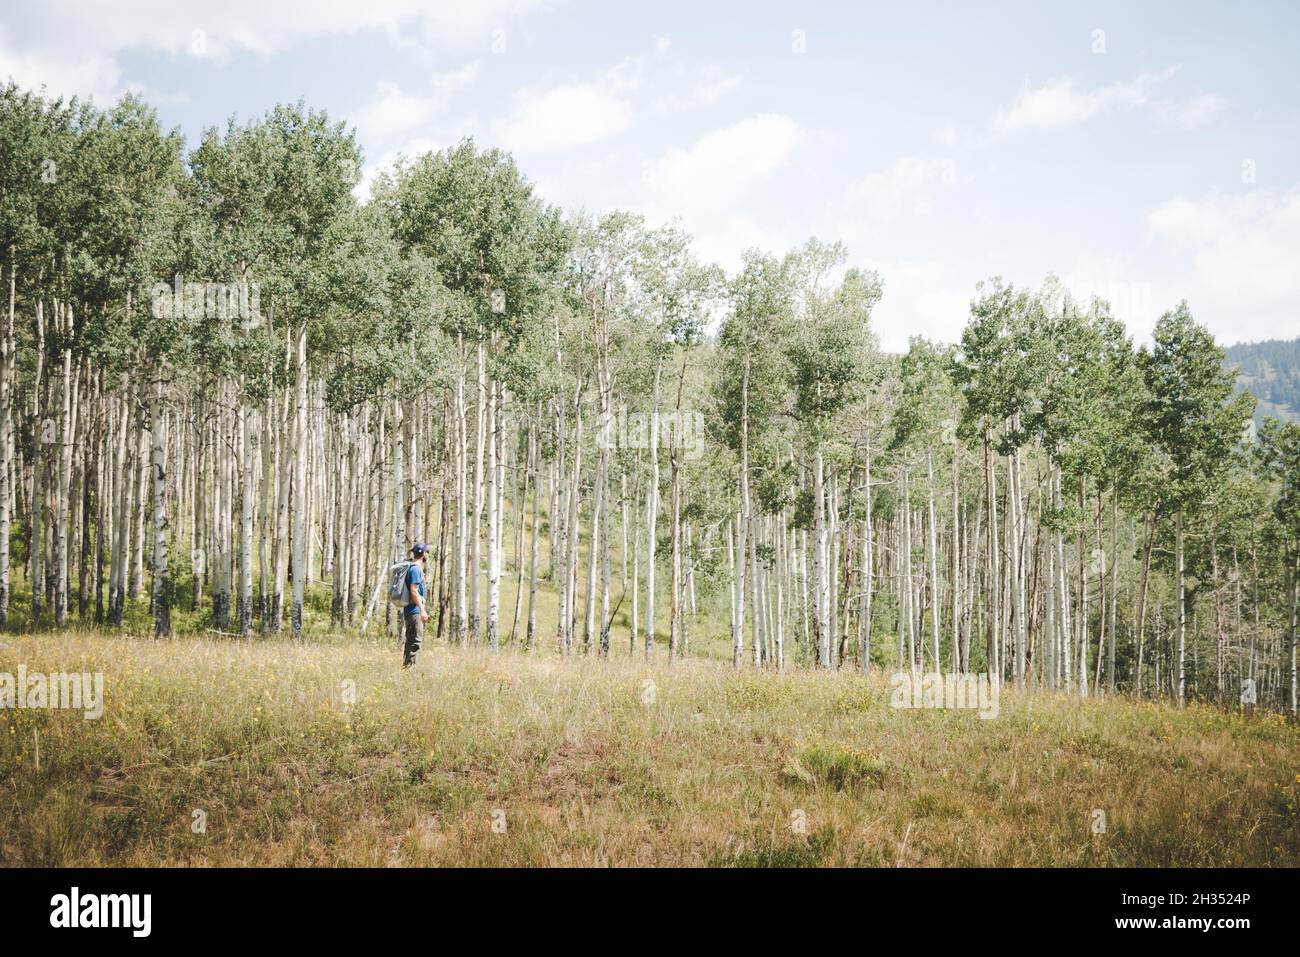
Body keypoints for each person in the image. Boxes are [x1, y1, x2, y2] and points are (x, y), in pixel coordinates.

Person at [403, 543, 431, 667]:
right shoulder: (415, 569)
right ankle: (410, 670)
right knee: (415, 642)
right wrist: (422, 610)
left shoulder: (411, 567)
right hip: (414, 611)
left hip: (410, 610)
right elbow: (413, 590)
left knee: (410, 642)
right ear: (423, 554)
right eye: (427, 552)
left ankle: (407, 668)